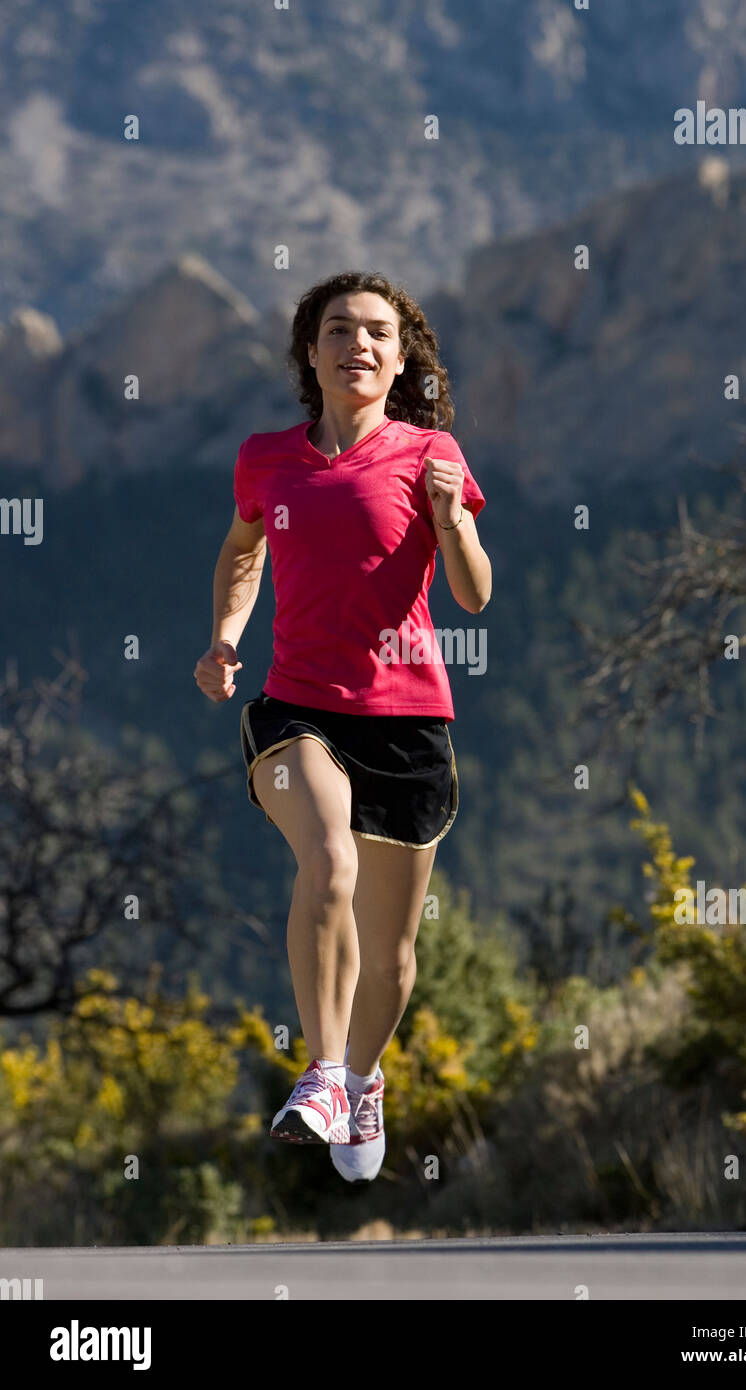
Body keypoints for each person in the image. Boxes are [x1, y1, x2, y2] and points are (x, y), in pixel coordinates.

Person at [193, 270, 491, 1183]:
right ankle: (322, 1073)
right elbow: (243, 550)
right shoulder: (267, 459)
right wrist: (223, 639)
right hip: (294, 708)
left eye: (375, 333)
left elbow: (474, 596)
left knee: (393, 954)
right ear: (309, 352)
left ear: (400, 359)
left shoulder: (431, 453)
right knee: (328, 858)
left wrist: (450, 523)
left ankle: (363, 1078)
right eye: (336, 329)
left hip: (407, 720)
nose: (355, 344)